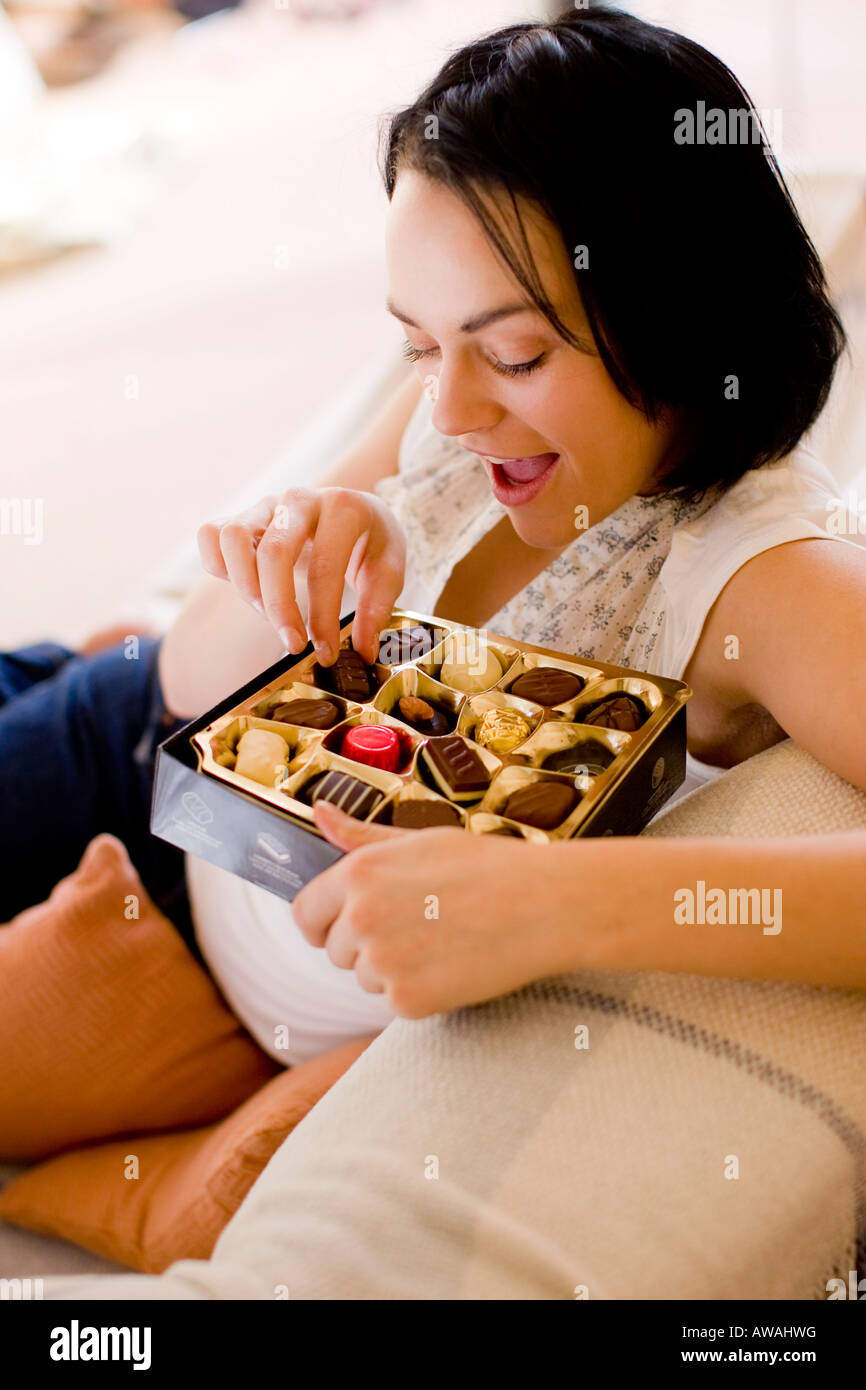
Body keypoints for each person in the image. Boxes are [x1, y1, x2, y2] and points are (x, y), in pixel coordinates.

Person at [4, 8, 866, 1076]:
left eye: (511, 353)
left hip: (172, 915)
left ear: (681, 319)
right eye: (417, 344)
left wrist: (564, 904)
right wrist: (314, 531)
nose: (448, 412)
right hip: (123, 734)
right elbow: (212, 651)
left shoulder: (754, 577)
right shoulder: (454, 424)